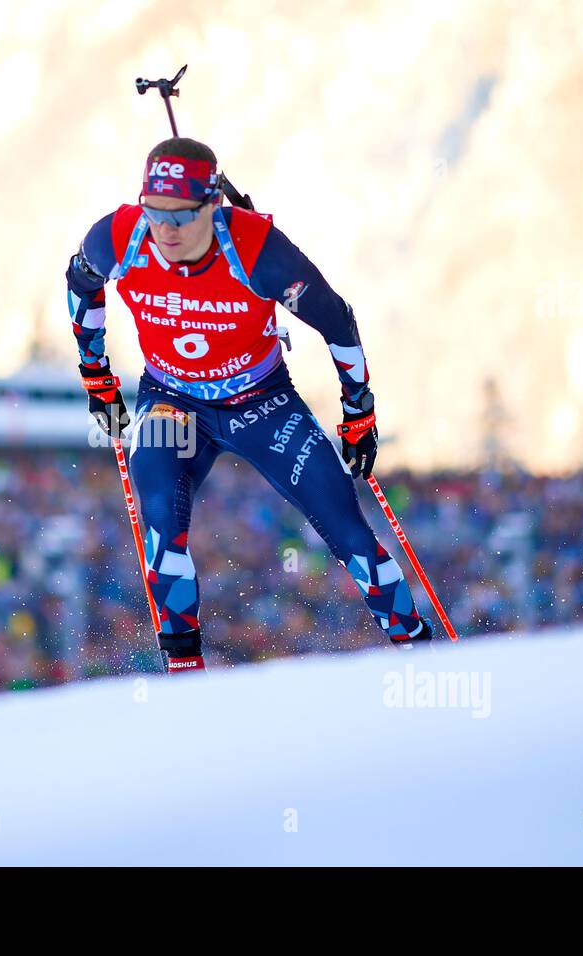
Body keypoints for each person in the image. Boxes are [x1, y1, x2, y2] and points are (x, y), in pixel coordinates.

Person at [65, 136, 433, 673]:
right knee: (163, 528)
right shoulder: (120, 236)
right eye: (154, 212)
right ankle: (186, 677)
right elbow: (81, 283)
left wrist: (359, 412)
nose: (165, 229)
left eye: (183, 214)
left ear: (213, 204)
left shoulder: (257, 249)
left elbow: (337, 321)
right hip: (173, 403)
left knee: (350, 532)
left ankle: (421, 657)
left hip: (262, 404)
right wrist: (97, 379)